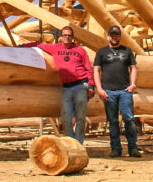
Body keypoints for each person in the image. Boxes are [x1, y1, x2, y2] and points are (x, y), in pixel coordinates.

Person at [27, 26, 95, 144]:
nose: (67, 37)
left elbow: (88, 68)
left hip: (80, 85)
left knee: (80, 117)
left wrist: (91, 86)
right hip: (66, 87)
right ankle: (71, 142)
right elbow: (39, 44)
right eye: (64, 35)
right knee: (66, 117)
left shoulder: (80, 50)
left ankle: (79, 143)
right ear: (61, 37)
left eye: (69, 35)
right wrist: (20, 47)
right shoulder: (55, 48)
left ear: (73, 37)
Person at [93, 25, 140, 158]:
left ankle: (133, 148)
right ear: (108, 36)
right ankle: (115, 149)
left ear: (120, 37)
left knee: (129, 118)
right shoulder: (101, 52)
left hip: (125, 90)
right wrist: (99, 89)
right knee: (113, 120)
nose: (114, 37)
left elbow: (133, 68)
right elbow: (96, 70)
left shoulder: (127, 51)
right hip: (108, 91)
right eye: (112, 35)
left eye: (117, 35)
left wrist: (132, 85)